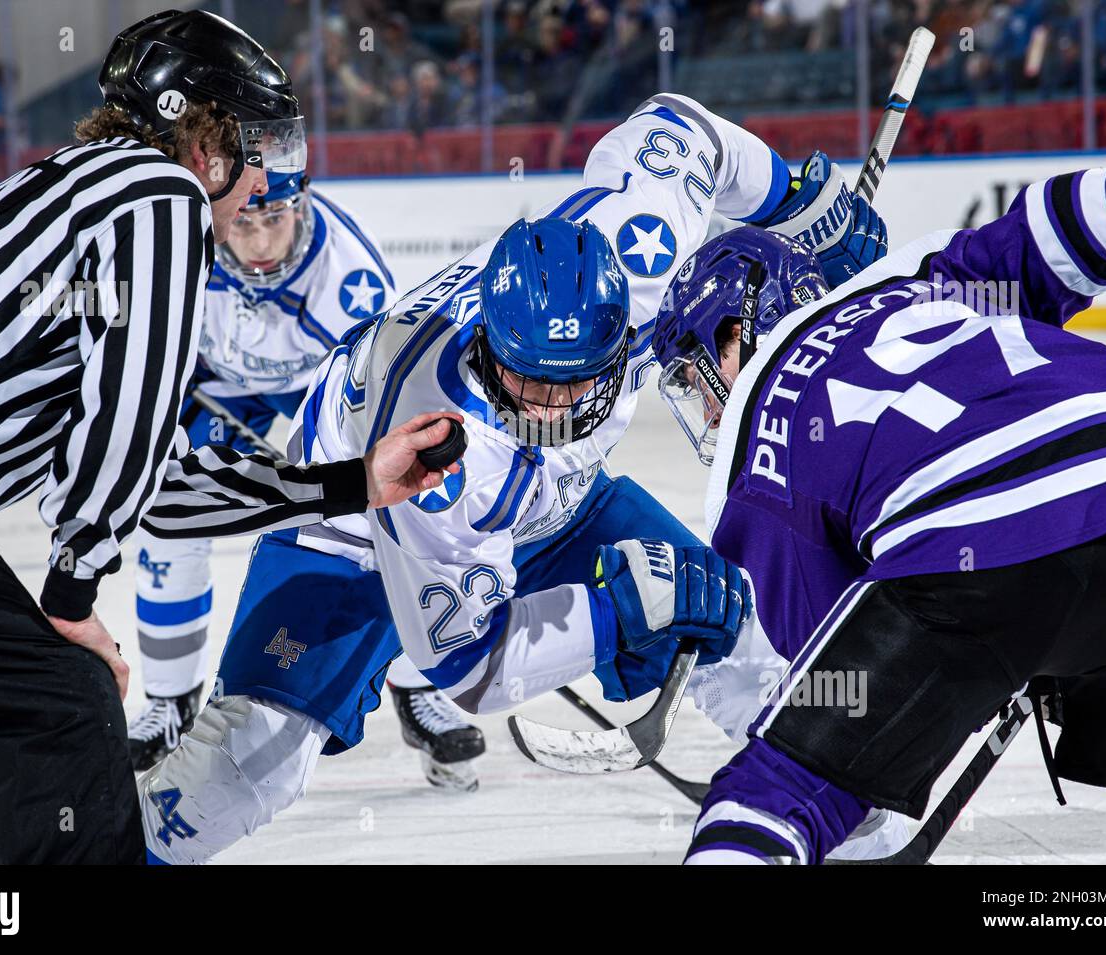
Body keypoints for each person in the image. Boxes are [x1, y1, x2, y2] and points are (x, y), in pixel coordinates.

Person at [136, 92, 902, 864]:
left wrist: (803, 206)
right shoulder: (436, 444)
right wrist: (613, 613)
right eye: (531, 380)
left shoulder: (640, 250)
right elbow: (464, 666)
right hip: (355, 530)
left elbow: (686, 126)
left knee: (734, 618)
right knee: (244, 767)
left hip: (551, 506)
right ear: (490, 342)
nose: (553, 406)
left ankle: (836, 799)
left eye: (578, 382)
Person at [0, 8, 458, 866]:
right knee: (60, 704)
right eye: (256, 146)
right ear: (200, 133)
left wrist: (354, 481)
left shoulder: (86, 200)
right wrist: (72, 598)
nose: (267, 180)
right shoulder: (157, 193)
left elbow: (156, 484)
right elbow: (129, 433)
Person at [648, 160, 1106, 864]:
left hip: (970, 553)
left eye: (693, 373)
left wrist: (949, 685)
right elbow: (1089, 214)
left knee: (778, 787)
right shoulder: (919, 280)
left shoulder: (756, 442)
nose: (707, 407)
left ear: (736, 328)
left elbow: (829, 656)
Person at [126, 167, 486, 789]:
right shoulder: (181, 243)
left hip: (314, 393)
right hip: (217, 394)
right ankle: (169, 702)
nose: (261, 241)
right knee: (172, 519)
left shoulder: (351, 284)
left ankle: (414, 686)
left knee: (388, 528)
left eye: (276, 219)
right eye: (245, 221)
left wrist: (347, 468)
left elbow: (377, 396)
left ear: (302, 207)